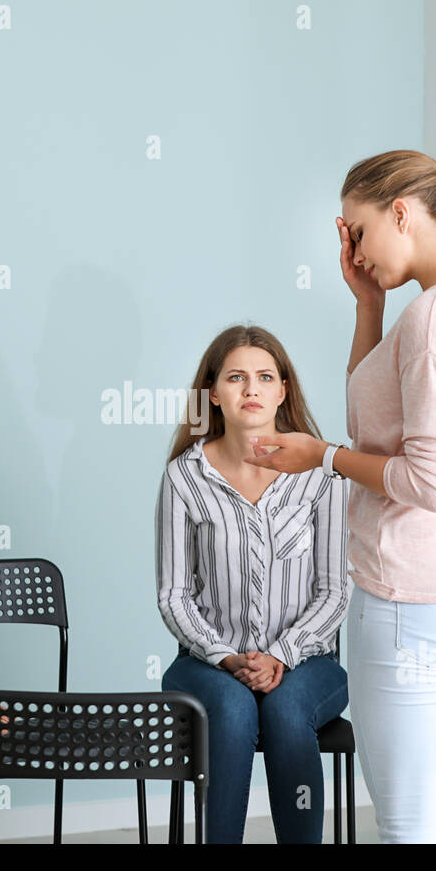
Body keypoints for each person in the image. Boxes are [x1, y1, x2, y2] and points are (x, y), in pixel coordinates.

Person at [246, 152, 436, 842]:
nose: (351, 249)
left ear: (403, 213)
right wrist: (368, 305)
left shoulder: (435, 318)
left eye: (357, 230)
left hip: (419, 597)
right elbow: (374, 414)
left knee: (410, 826)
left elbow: (427, 481)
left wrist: (320, 457)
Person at [156, 325, 350, 844]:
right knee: (235, 709)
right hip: (205, 664)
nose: (251, 389)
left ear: (282, 390)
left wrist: (281, 655)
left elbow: (335, 589)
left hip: (309, 664)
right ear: (213, 393)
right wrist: (224, 657)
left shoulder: (322, 473)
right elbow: (173, 595)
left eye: (265, 377)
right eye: (236, 377)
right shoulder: (185, 476)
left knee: (287, 712)